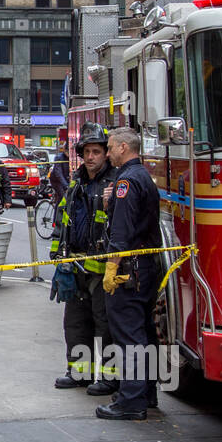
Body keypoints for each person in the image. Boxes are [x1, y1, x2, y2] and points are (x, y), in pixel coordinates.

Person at [96, 126, 162, 421]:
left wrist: (112, 266)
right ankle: (145, 393)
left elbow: (121, 231)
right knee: (144, 331)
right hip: (146, 267)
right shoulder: (143, 176)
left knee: (128, 335)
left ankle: (130, 401)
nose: (107, 153)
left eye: (110, 148)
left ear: (123, 148)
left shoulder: (126, 181)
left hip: (129, 269)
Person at [49, 123, 117, 393]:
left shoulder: (115, 185)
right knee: (75, 323)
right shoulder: (76, 185)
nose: (90, 157)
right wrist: (57, 254)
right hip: (75, 266)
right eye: (87, 151)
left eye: (96, 151)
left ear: (105, 154)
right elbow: (62, 220)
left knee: (105, 324)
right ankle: (79, 373)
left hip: (102, 270)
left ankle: (110, 378)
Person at [48, 127, 71, 204]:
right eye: (67, 151)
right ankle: (57, 215)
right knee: (62, 197)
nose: (68, 154)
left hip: (65, 178)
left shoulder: (72, 158)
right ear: (64, 150)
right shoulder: (59, 157)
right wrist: (66, 185)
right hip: (56, 180)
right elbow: (58, 173)